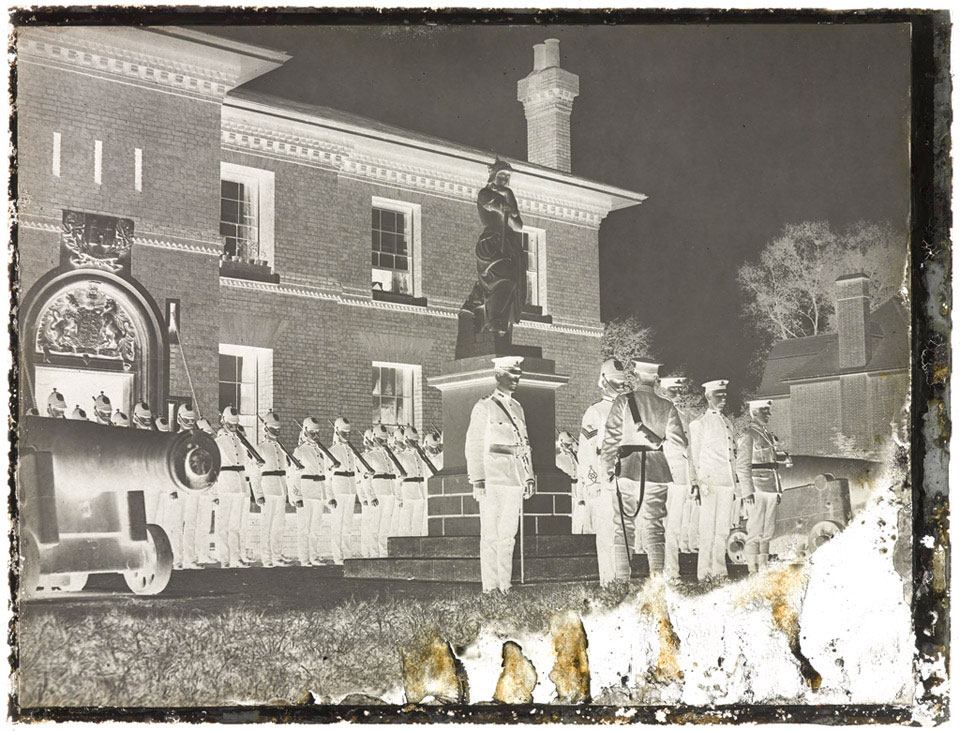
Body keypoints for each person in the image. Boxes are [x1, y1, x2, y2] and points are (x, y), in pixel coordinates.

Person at [600, 359, 689, 580]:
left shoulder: (623, 401)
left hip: (628, 469)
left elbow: (610, 439)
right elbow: (680, 444)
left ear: (636, 376)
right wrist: (658, 439)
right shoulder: (666, 405)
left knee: (623, 524)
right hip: (657, 470)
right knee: (655, 526)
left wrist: (607, 471)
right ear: (656, 379)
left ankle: (622, 581)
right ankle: (657, 582)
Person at [465, 356, 535, 594]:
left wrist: (528, 476)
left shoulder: (518, 408)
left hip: (513, 477)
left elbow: (525, 445)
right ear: (497, 376)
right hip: (492, 477)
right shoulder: (484, 406)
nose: (515, 379)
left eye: (518, 375)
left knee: (508, 535)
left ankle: (505, 584)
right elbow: (474, 444)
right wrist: (478, 479)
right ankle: (490, 586)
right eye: (510, 375)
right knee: (491, 534)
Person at [460, 159, 526, 339]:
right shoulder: (484, 193)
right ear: (493, 175)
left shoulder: (507, 194)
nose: (505, 179)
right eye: (502, 175)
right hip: (491, 241)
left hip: (508, 243)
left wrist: (509, 196)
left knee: (509, 280)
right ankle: (493, 320)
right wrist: (503, 205)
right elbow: (495, 207)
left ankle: (488, 312)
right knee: (503, 278)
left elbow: (518, 225)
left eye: (507, 176)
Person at [577, 358, 630, 584]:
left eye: (622, 382)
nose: (619, 386)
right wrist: (593, 482)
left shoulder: (629, 410)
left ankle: (623, 579)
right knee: (607, 532)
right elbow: (586, 451)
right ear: (603, 381)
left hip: (626, 478)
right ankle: (608, 581)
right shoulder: (595, 412)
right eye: (615, 381)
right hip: (604, 479)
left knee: (625, 532)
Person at [689, 380, 738, 582]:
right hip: (708, 481)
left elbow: (732, 455)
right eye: (719, 395)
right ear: (709, 397)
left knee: (723, 528)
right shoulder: (700, 423)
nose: (723, 399)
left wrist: (735, 484)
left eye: (725, 395)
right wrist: (695, 482)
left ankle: (720, 570)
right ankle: (704, 572)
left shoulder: (727, 423)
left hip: (726, 482)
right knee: (707, 527)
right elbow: (694, 455)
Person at [737, 399, 790, 574]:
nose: (769, 414)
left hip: (771, 487)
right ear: (754, 413)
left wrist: (778, 489)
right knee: (755, 530)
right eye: (765, 411)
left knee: (768, 530)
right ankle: (753, 569)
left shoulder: (767, 435)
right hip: (757, 488)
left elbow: (772, 463)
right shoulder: (748, 435)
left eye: (768, 411)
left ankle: (764, 567)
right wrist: (747, 491)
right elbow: (742, 465)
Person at [658, 376, 697, 583]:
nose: (678, 394)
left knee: (675, 525)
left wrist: (692, 480)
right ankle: (660, 569)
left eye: (679, 390)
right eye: (673, 390)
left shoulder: (684, 416)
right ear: (663, 390)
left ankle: (672, 570)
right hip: (664, 474)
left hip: (681, 476)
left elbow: (690, 452)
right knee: (660, 524)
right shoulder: (659, 412)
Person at [290, 417, 336, 566]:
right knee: (304, 528)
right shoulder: (300, 451)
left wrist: (329, 496)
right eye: (312, 433)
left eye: (317, 433)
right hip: (306, 491)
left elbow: (326, 475)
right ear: (305, 432)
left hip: (318, 491)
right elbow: (293, 475)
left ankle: (314, 556)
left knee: (315, 528)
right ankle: (304, 558)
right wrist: (296, 496)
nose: (316, 435)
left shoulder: (320, 451)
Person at [215, 406, 256, 568]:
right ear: (223, 422)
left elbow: (246, 463)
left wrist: (255, 463)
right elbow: (213, 468)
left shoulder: (240, 442)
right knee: (223, 524)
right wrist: (214, 492)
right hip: (225, 483)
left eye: (235, 424)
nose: (233, 427)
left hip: (239, 485)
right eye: (230, 424)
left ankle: (236, 557)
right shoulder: (217, 442)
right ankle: (224, 558)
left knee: (236, 525)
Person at [253, 410, 294, 568]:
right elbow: (255, 473)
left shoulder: (280, 448)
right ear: (265, 428)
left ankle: (277, 555)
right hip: (268, 488)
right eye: (273, 429)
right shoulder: (260, 448)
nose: (276, 432)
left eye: (278, 429)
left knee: (279, 525)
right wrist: (258, 494)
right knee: (267, 525)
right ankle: (266, 557)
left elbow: (287, 471)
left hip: (280, 489)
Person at [178, 404, 218, 568]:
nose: (189, 422)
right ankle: (187, 558)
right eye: (186, 419)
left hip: (203, 486)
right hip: (187, 487)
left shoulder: (197, 440)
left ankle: (203, 553)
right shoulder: (177, 440)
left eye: (191, 420)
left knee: (203, 523)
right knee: (189, 523)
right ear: (179, 419)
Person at [362, 423, 402, 558]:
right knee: (374, 526)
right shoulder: (370, 456)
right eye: (381, 439)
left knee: (386, 527)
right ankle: (374, 554)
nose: (384, 442)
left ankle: (384, 553)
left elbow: (396, 477)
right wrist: (371, 496)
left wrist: (398, 495)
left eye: (385, 439)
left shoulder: (390, 457)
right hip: (378, 494)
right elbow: (365, 479)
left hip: (390, 493)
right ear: (374, 438)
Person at [326, 417, 362, 565]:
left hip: (349, 489)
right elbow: (326, 476)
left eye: (348, 432)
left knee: (347, 524)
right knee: (337, 525)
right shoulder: (331, 451)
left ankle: (347, 553)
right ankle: (337, 555)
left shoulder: (350, 451)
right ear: (336, 431)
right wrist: (330, 496)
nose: (346, 435)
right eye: (343, 432)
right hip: (338, 489)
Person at [395, 425, 427, 537]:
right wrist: (399, 497)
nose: (416, 443)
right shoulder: (401, 457)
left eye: (416, 440)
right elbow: (397, 479)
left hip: (421, 492)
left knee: (418, 524)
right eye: (413, 441)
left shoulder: (419, 456)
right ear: (407, 440)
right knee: (405, 524)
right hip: (408, 492)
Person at [357, 428, 382, 558]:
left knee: (375, 525)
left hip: (375, 493)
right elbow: (359, 479)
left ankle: (373, 551)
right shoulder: (363, 457)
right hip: (367, 496)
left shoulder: (378, 456)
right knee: (367, 524)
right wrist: (363, 498)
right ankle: (365, 552)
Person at [556, 431, 583, 532]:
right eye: (568, 444)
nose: (570, 446)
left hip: (578, 487)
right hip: (568, 488)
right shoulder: (558, 459)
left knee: (578, 515)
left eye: (570, 444)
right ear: (562, 443)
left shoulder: (575, 457)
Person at [420, 430, 443, 536]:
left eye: (436, 447)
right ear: (425, 445)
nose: (434, 450)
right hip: (425, 490)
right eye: (431, 447)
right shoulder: (420, 459)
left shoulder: (440, 458)